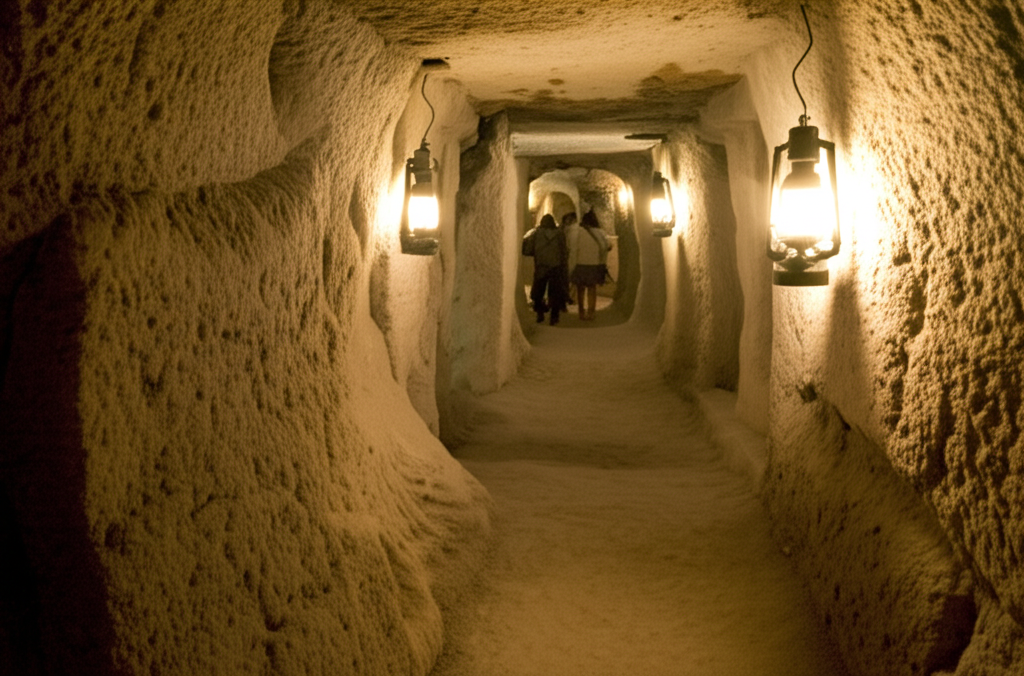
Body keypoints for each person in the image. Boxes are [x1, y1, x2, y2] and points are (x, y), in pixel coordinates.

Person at [567, 209, 610, 321]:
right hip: (594, 264)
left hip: (580, 264)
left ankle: (581, 312)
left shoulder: (577, 231)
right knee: (592, 289)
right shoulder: (600, 232)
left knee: (580, 290)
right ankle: (591, 312)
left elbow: (573, 248)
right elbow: (608, 245)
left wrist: (571, 265)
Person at [526, 214, 568, 325]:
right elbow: (563, 250)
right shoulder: (559, 233)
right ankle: (554, 317)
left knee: (538, 290)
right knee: (555, 292)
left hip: (541, 265)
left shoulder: (537, 233)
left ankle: (540, 313)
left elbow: (529, 249)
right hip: (556, 266)